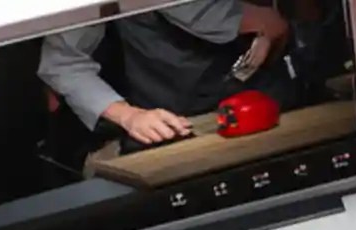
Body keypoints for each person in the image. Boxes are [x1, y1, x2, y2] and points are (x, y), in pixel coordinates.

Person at [38, 0, 291, 150]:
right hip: (173, 131)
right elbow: (63, 62)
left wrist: (270, 24)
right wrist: (129, 116)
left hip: (274, 112)